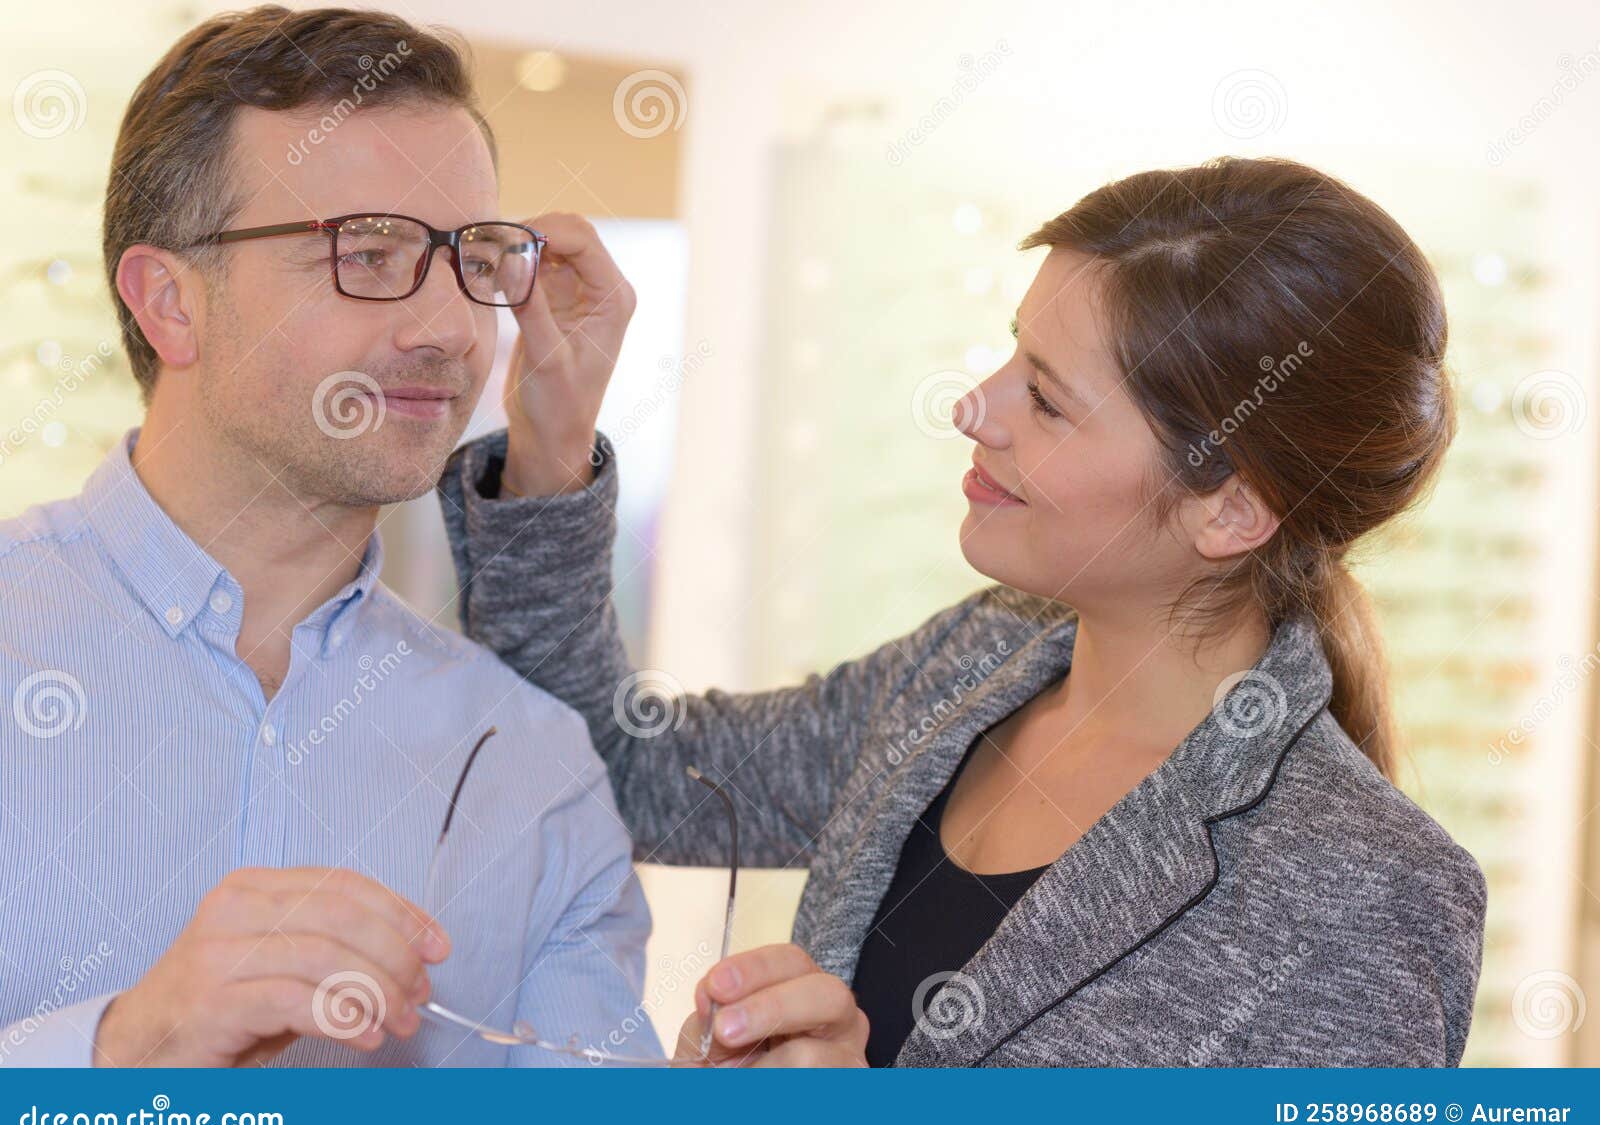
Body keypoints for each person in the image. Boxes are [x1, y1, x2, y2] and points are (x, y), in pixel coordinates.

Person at [441, 155, 1488, 1066]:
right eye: (1007, 355)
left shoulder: (1365, 894)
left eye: (1045, 397)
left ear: (1231, 509)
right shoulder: (967, 664)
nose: (970, 407)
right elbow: (625, 773)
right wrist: (553, 430)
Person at [0, 6, 864, 1069]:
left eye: (473, 260)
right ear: (169, 303)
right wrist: (117, 1053)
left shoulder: (528, 762)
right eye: (368, 252)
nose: (450, 328)